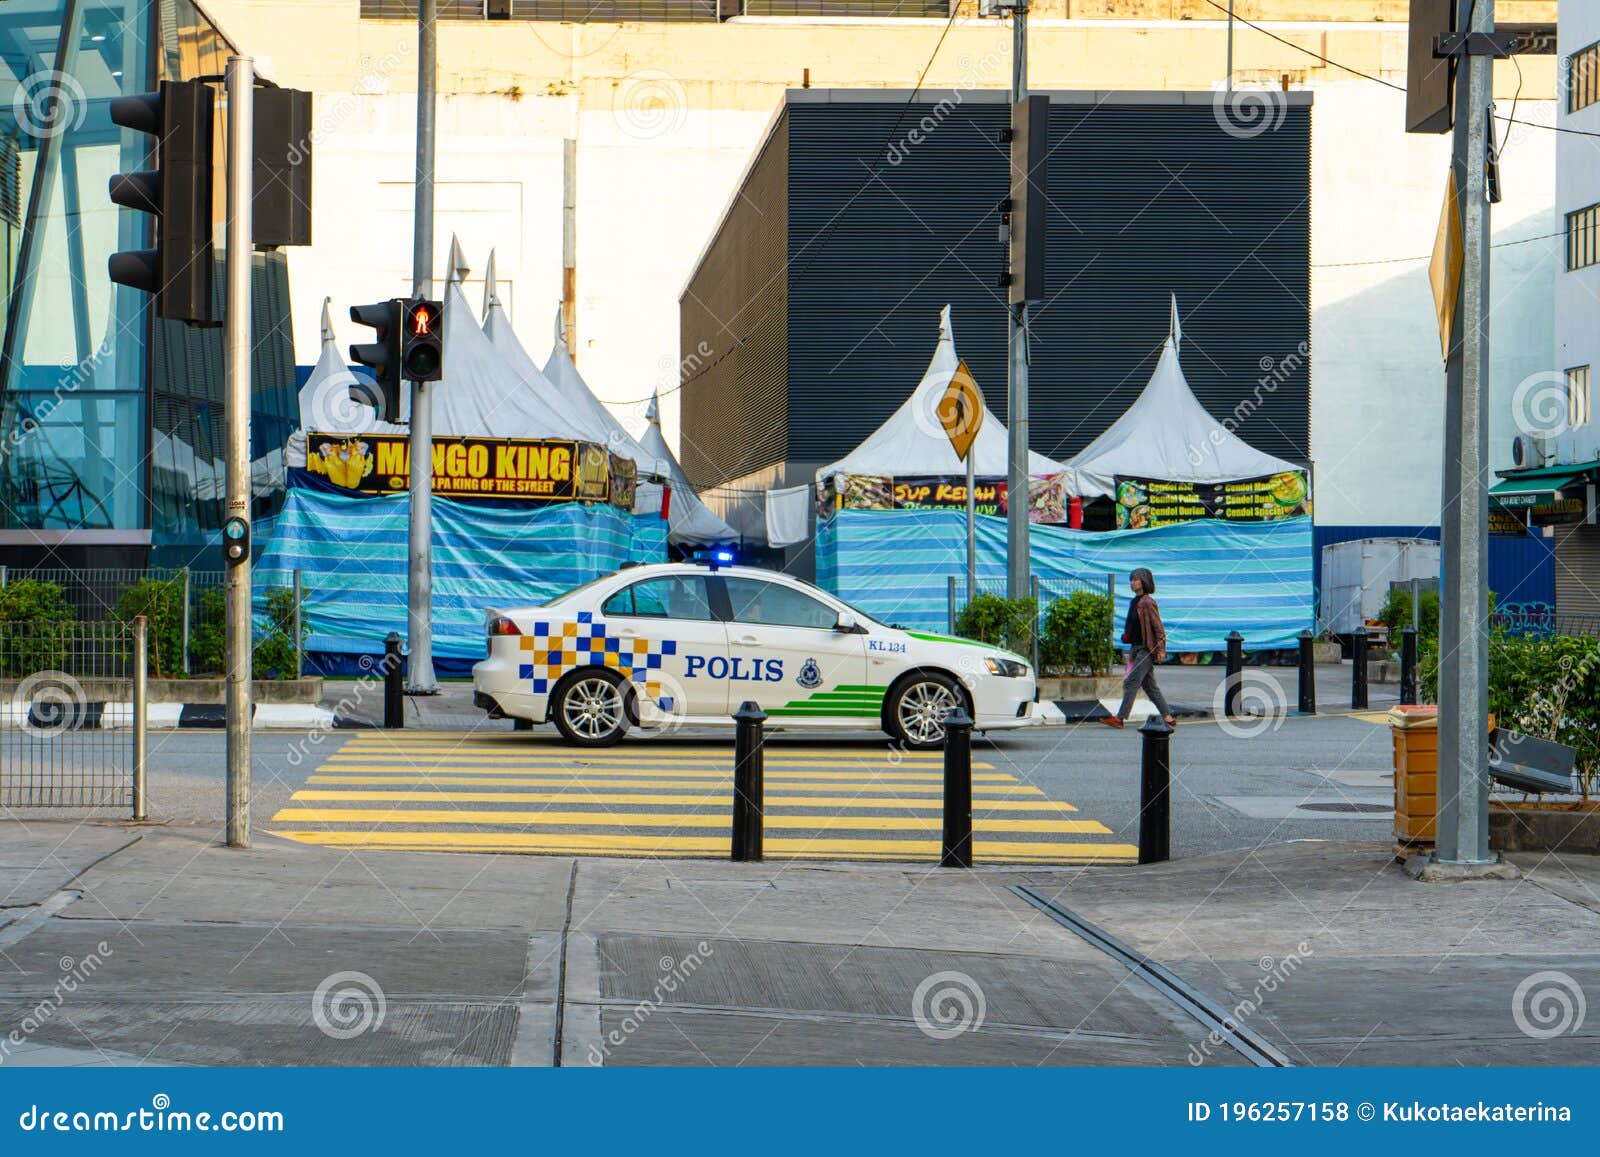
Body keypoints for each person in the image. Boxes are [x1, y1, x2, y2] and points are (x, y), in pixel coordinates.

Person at [1102, 567, 1176, 729]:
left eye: (1136, 579)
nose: (1132, 582)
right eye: (1131, 579)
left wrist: (1161, 649)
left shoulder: (1148, 602)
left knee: (1131, 682)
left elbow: (1158, 628)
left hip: (1146, 649)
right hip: (1135, 648)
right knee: (1150, 686)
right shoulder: (1134, 601)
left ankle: (1120, 718)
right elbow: (1133, 624)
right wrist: (1127, 636)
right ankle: (1169, 717)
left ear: (1144, 581)